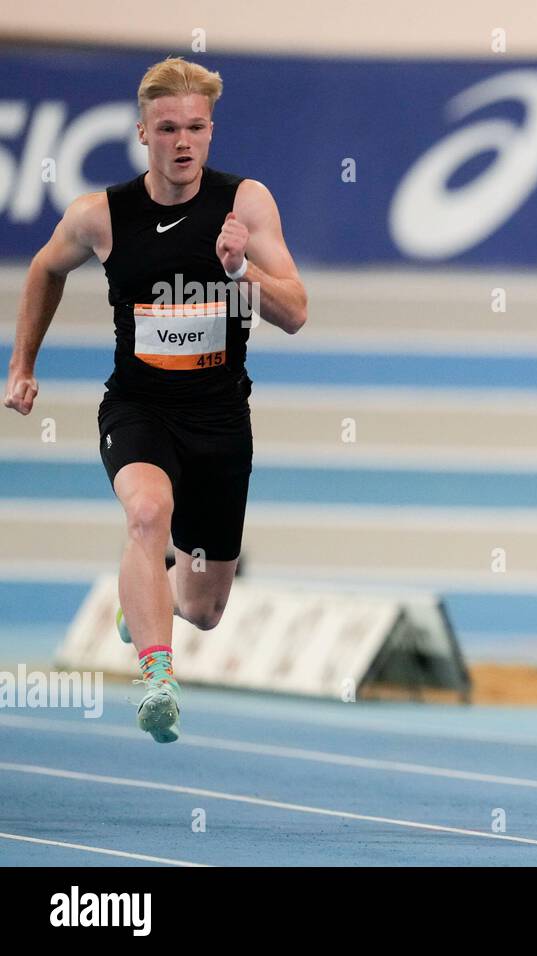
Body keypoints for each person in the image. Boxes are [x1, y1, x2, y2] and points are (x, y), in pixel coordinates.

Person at [3, 57, 307, 743]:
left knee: (204, 608)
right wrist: (22, 364)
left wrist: (241, 271)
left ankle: (145, 603)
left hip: (221, 420)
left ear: (210, 131)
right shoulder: (101, 216)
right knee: (146, 514)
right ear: (142, 131)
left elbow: (295, 312)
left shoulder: (245, 206)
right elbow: (45, 268)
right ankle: (157, 678)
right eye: (167, 127)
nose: (182, 142)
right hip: (139, 409)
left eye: (195, 127)